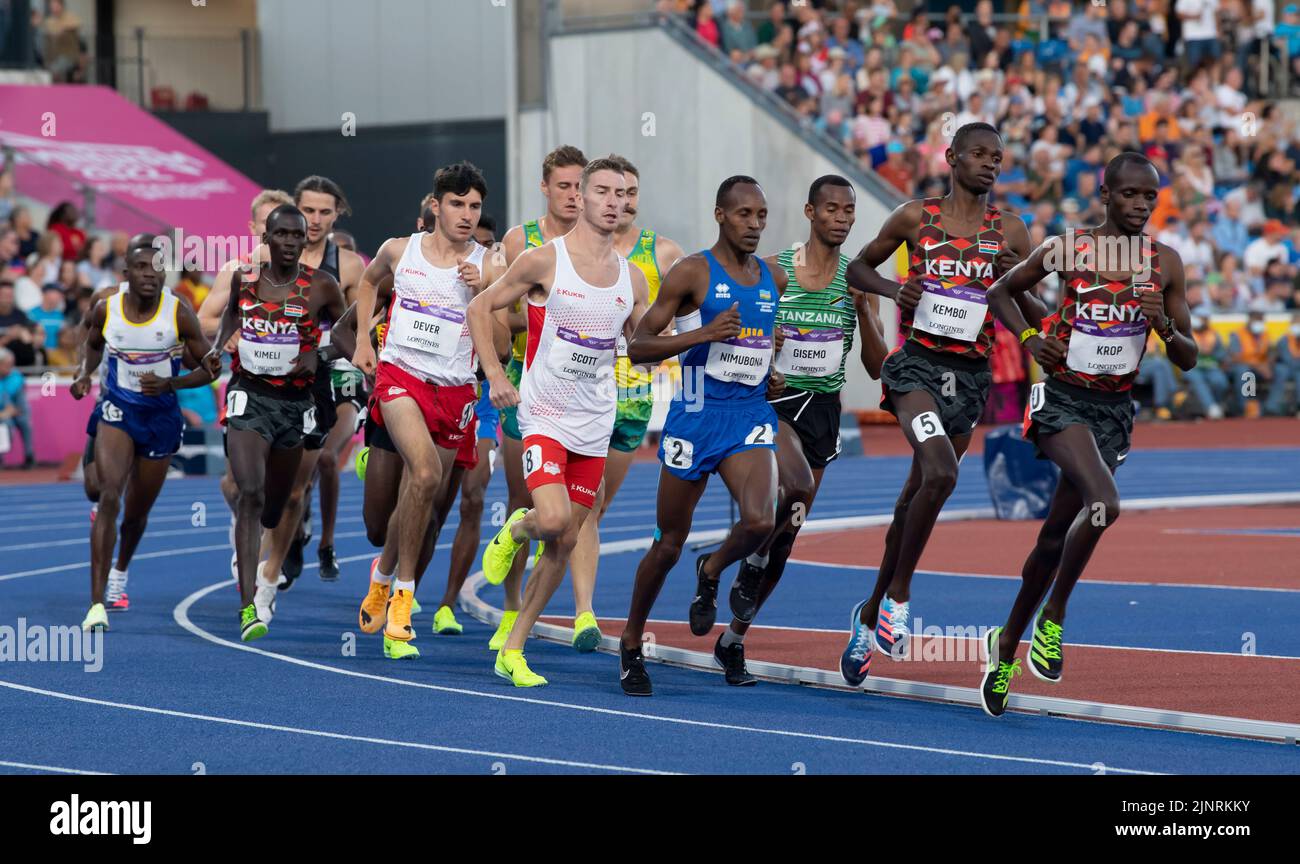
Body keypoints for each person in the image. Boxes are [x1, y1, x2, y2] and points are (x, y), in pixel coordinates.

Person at [977, 153, 1196, 716]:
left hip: (1114, 413)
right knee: (1105, 504)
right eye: (1129, 195)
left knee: (1054, 538)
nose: (1141, 206)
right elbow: (1001, 291)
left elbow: (1189, 358)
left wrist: (1163, 324)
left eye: (1149, 196)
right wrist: (1029, 338)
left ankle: (1004, 647)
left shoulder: (1165, 263)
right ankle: (1055, 615)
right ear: (1105, 195)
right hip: (1062, 402)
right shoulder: (1066, 248)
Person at [838, 123, 1038, 685]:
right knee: (941, 472)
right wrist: (888, 290)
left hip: (969, 377)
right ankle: (899, 596)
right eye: (978, 154)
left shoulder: (1012, 232)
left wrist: (1018, 291)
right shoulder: (914, 218)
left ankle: (869, 610)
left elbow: (1034, 304)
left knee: (914, 498)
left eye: (997, 157)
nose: (990, 164)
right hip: (916, 371)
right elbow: (857, 266)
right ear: (951, 157)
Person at [474, 157, 647, 687]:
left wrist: (702, 339)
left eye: (623, 193)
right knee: (548, 522)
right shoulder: (543, 261)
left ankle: (514, 647)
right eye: (602, 191)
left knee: (566, 539)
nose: (614, 201)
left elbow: (643, 347)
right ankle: (515, 528)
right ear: (583, 198)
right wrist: (495, 376)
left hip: (596, 419)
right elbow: (480, 308)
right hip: (544, 412)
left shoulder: (632, 277)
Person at [618, 176, 787, 697]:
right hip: (695, 413)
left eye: (761, 215)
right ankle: (629, 644)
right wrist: (703, 334)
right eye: (744, 215)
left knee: (761, 520)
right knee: (668, 543)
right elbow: (641, 346)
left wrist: (768, 365)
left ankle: (711, 568)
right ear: (720, 215)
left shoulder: (774, 277)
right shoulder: (692, 271)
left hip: (747, 413)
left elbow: (758, 341)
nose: (755, 225)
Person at [718, 175, 889, 685]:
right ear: (810, 212)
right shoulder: (776, 271)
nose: (841, 217)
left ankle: (734, 639)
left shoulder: (857, 281)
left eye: (848, 211)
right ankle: (746, 559)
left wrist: (864, 310)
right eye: (831, 208)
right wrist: (761, 342)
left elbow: (876, 367)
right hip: (774, 404)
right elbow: (742, 329)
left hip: (823, 410)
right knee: (798, 485)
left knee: (789, 528)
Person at [350, 162, 507, 658]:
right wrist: (361, 341)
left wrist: (482, 293)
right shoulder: (401, 250)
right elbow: (367, 283)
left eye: (474, 206)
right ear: (435, 206)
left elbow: (501, 347)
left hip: (454, 393)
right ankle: (403, 599)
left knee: (423, 494)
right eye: (456, 204)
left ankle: (381, 575)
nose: (466, 214)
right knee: (421, 475)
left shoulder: (490, 266)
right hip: (400, 378)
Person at [208, 205, 351, 641]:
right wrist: (218, 346)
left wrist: (322, 354)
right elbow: (232, 313)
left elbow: (347, 333)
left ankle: (278, 550)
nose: (290, 241)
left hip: (297, 404)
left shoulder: (322, 285)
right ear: (266, 238)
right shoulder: (245, 278)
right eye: (282, 234)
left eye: (297, 235)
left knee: (282, 502)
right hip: (249, 395)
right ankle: (249, 604)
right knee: (248, 493)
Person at [563, 154, 686, 652]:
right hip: (579, 390)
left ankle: (551, 548)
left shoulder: (664, 252)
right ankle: (583, 613)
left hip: (633, 398)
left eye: (631, 192)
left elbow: (681, 317)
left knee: (594, 508)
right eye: (615, 192)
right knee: (579, 508)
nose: (623, 201)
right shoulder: (571, 250)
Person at [71, 235, 215, 631]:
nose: (150, 275)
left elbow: (210, 367)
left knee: (135, 514)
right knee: (107, 493)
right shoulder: (106, 305)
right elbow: (92, 342)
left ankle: (120, 571)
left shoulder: (179, 312)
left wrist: (173, 385)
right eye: (141, 268)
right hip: (117, 410)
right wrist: (83, 374)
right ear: (126, 273)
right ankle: (96, 603)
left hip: (161, 418)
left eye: (157, 269)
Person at [489, 144, 587, 653]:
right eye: (564, 186)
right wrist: (541, 317)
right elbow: (496, 310)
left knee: (570, 515)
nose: (573, 195)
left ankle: (562, 613)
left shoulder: (596, 246)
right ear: (545, 188)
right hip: (526, 386)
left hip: (581, 393)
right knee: (522, 501)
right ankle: (509, 612)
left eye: (579, 186)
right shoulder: (521, 241)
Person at [267, 176, 366, 591]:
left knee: (323, 457)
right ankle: (292, 531)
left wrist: (329, 351)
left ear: (337, 213)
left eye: (326, 212)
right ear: (294, 207)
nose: (316, 219)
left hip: (337, 374)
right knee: (275, 477)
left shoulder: (349, 265)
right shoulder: (266, 257)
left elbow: (361, 325)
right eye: (308, 210)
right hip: (282, 373)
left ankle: (320, 543)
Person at [0, 347, 34, 468]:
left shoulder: (16, 378)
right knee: (5, 423)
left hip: (14, 411)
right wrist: (4, 414)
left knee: (24, 421)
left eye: (11, 364)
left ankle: (29, 456)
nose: (10, 368)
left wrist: (12, 411)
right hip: (3, 414)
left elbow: (21, 404)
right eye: (6, 365)